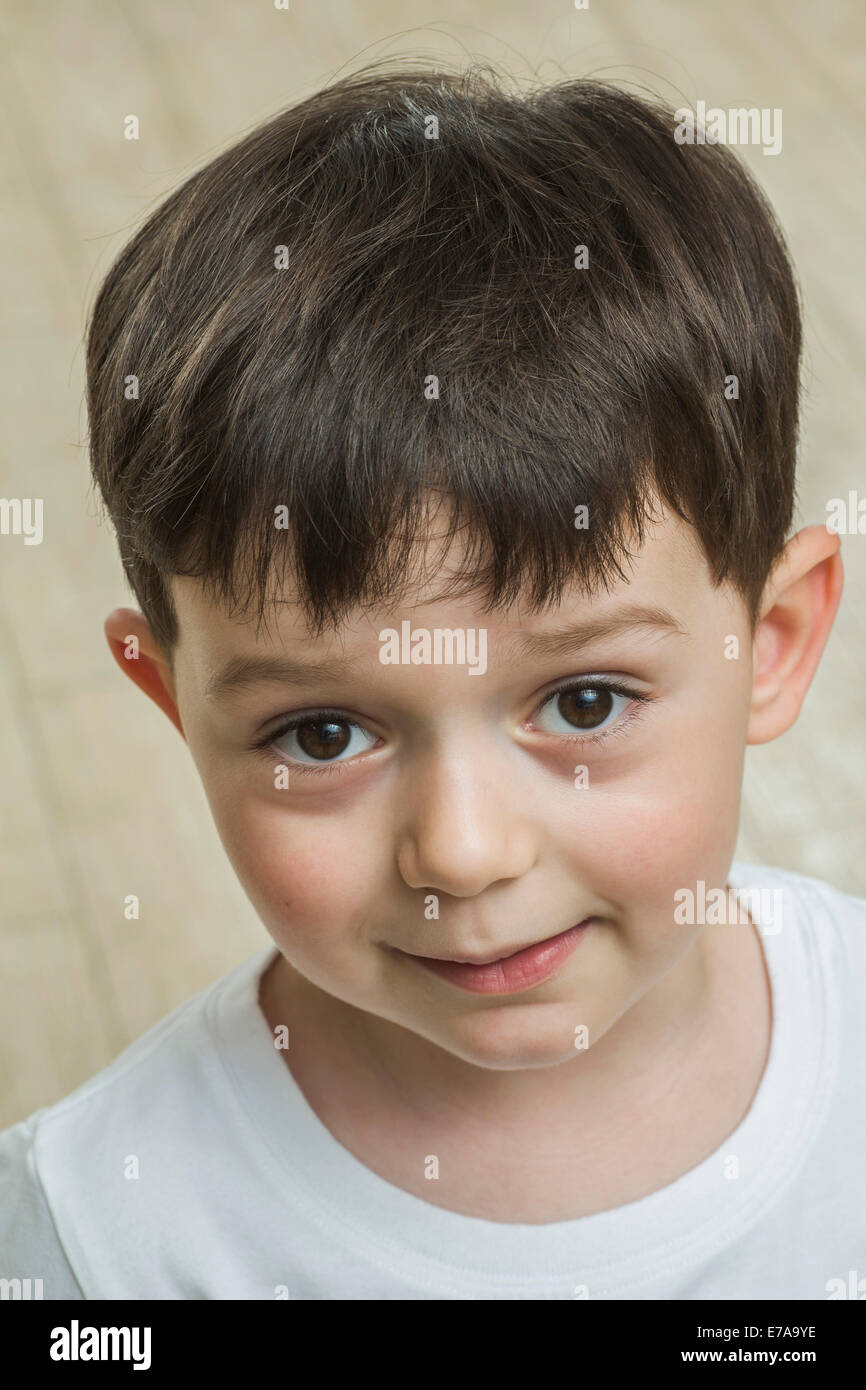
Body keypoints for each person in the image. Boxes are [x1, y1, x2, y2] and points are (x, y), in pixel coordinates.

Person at [2, 62, 863, 1300]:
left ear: (769, 640)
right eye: (322, 729)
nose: (461, 854)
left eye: (582, 703)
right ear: (173, 702)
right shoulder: (95, 1232)